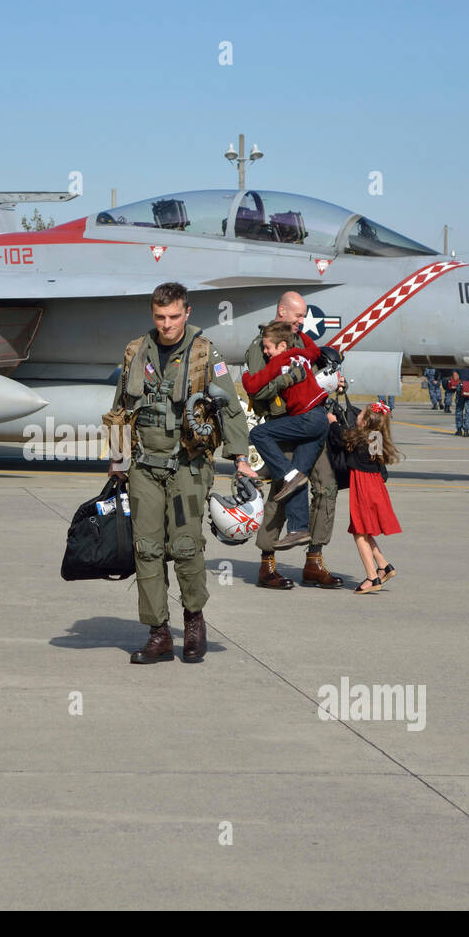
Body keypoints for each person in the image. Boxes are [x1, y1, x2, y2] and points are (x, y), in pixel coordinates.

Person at [106, 281, 252, 664]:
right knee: (147, 550)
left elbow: (230, 407)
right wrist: (119, 459)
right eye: (159, 317)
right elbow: (121, 407)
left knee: (186, 546)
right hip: (144, 467)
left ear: (187, 314)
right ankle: (158, 634)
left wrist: (240, 458)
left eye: (173, 316)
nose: (167, 324)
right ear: (152, 315)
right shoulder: (137, 351)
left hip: (188, 466)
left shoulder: (206, 352)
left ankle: (193, 622)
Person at [242, 327, 345, 589]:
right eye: (296, 316)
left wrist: (332, 380)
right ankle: (267, 564)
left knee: (325, 489)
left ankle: (313, 560)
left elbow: (315, 357)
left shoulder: (296, 343)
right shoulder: (262, 345)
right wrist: (285, 379)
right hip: (287, 423)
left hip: (313, 420)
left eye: (302, 318)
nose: (301, 322)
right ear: (282, 312)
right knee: (283, 489)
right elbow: (257, 390)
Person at [244, 313, 330, 507]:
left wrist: (246, 374)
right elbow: (314, 350)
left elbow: (252, 386)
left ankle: (288, 473)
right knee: (300, 477)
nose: (265, 351)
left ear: (282, 346)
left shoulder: (279, 361)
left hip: (305, 417)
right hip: (320, 415)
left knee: (258, 433)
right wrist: (297, 332)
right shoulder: (302, 355)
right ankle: (297, 531)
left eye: (267, 347)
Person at [327, 401, 402, 594]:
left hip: (364, 489)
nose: (357, 416)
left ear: (366, 422)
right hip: (375, 487)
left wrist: (332, 421)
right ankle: (383, 565)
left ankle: (371, 576)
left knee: (359, 532)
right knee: (366, 530)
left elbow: (341, 435)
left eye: (361, 414)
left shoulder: (359, 438)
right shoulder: (376, 438)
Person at [453, 366, 469, 436]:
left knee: (459, 409)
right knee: (468, 410)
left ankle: (459, 430)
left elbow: (455, 378)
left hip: (461, 386)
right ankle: (466, 430)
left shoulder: (458, 364)